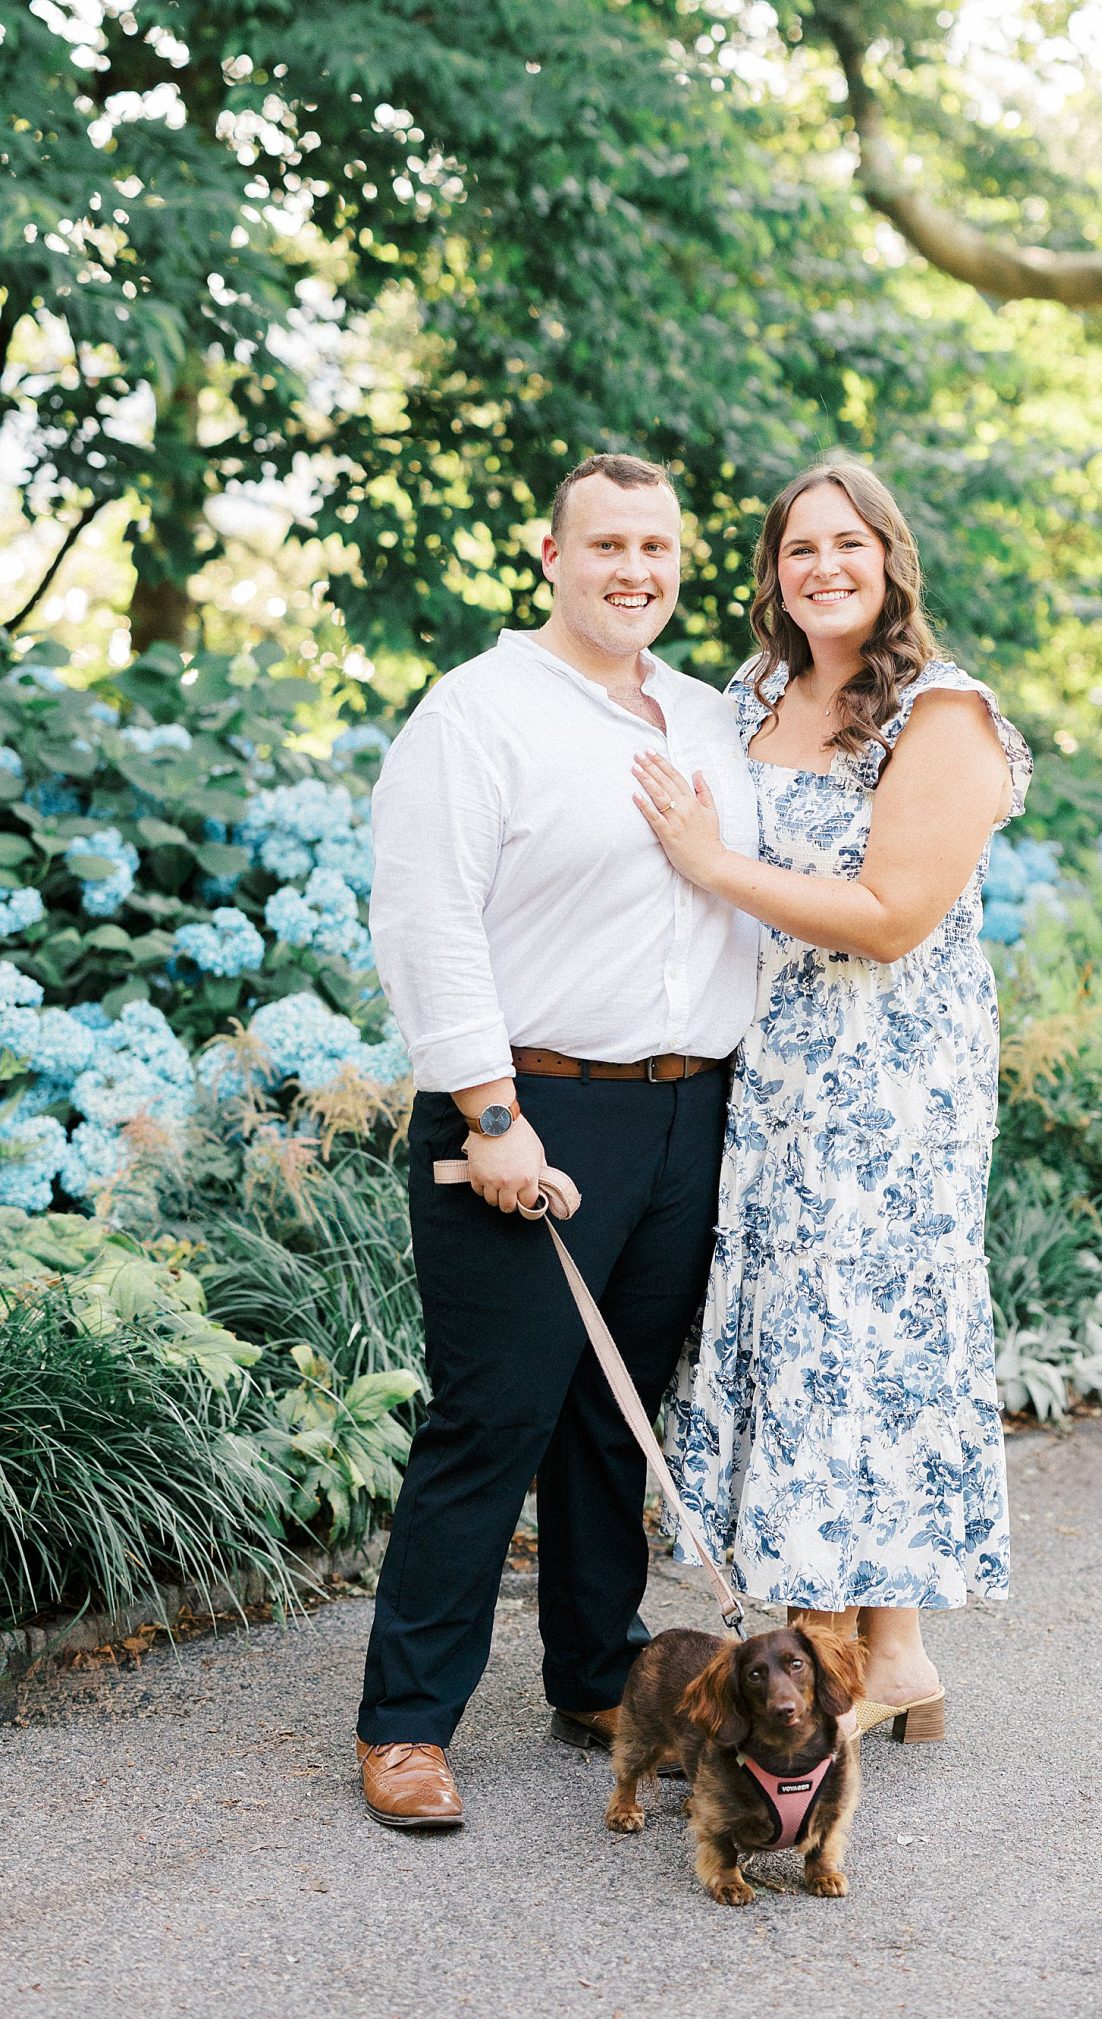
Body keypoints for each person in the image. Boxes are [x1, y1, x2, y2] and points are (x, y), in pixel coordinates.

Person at [355, 453, 759, 1827]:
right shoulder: (475, 714)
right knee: (493, 1417)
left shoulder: (709, 720)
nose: (633, 568)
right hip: (527, 1108)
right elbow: (426, 919)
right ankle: (407, 1724)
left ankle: (596, 1677)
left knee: (609, 1423)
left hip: (682, 1107)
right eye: (606, 545)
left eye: (657, 546)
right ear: (549, 554)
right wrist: (489, 1109)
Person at [632, 460, 1031, 1740]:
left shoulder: (942, 711)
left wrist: (713, 863)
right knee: (796, 1334)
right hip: (777, 1064)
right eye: (799, 548)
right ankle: (880, 1650)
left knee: (866, 1338)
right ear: (774, 571)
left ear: (889, 555)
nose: (823, 567)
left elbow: (891, 918)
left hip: (893, 1081)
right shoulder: (756, 691)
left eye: (847, 543)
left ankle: (862, 1652)